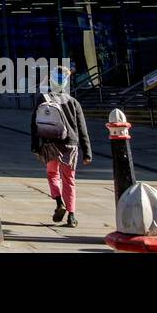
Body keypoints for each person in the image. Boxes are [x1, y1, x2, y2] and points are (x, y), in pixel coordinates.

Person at [30, 71, 92, 227]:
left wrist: (35, 146)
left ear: (50, 81)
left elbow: (34, 124)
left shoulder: (42, 99)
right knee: (69, 179)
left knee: (52, 174)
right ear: (66, 82)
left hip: (50, 142)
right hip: (70, 144)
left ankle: (59, 202)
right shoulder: (73, 102)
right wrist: (87, 151)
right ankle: (72, 215)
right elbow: (82, 128)